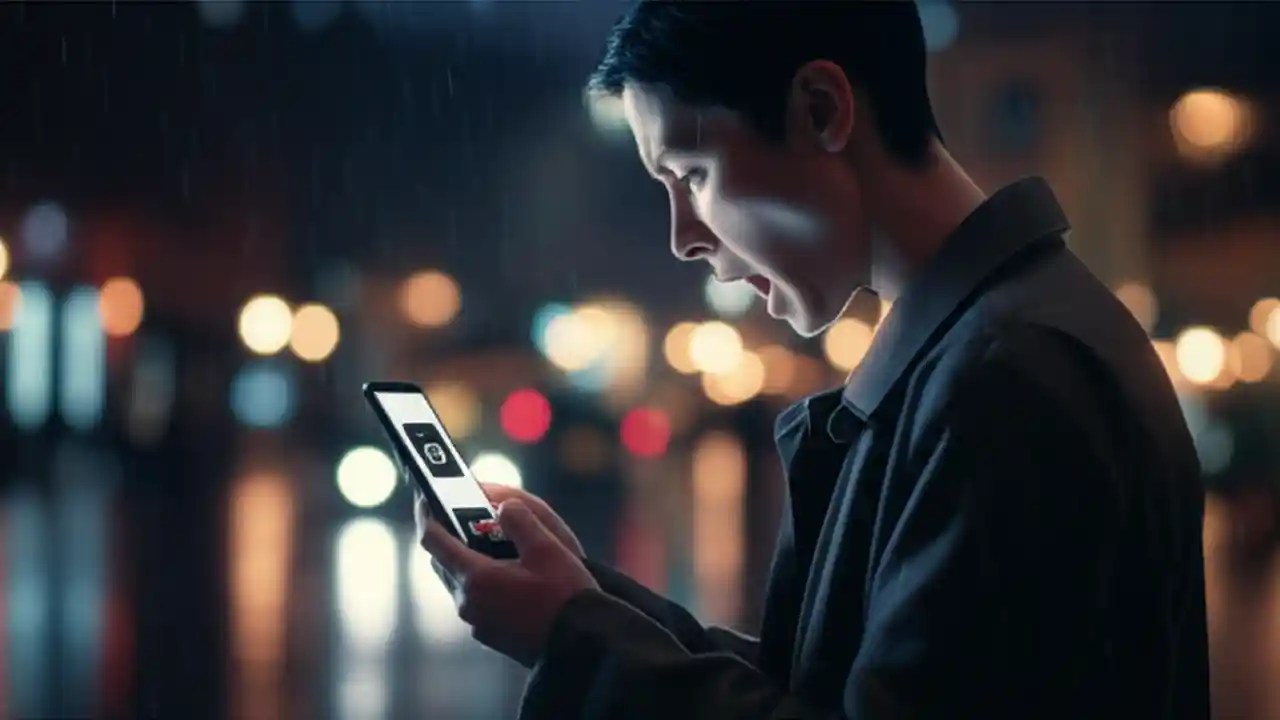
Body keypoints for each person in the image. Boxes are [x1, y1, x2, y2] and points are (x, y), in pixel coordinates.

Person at [418, 2, 1211, 717]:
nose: (683, 236)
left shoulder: (1011, 377)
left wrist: (574, 637)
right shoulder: (993, 343)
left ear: (821, 110)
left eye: (692, 175)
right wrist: (587, 600)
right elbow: (833, 689)